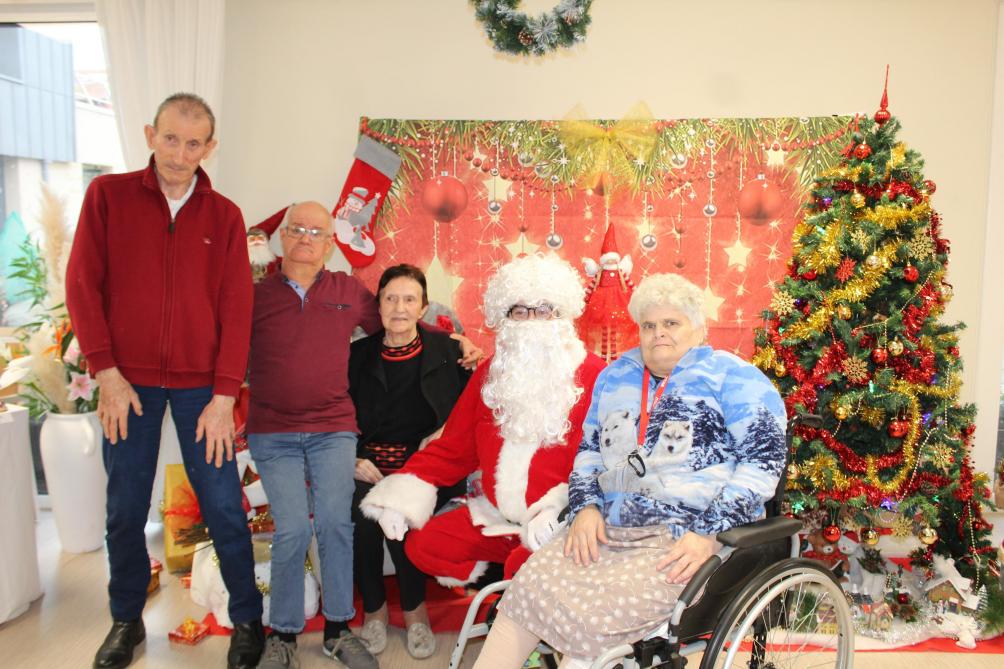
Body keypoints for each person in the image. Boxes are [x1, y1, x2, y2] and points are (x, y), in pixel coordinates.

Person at [473, 273, 787, 669]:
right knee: (528, 590)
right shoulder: (614, 376)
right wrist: (586, 507)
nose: (659, 334)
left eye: (671, 323)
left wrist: (707, 534)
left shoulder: (735, 378)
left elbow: (763, 462)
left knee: (593, 620)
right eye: (649, 325)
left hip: (682, 538)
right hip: (609, 527)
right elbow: (588, 453)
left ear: (698, 327)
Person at [65, 93, 264, 669]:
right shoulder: (107, 197)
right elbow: (82, 284)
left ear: (210, 147)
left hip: (205, 388)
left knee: (225, 504)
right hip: (126, 383)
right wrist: (106, 372)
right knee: (125, 507)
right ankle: (126, 619)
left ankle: (246, 619)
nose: (180, 154)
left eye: (194, 143)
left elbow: (236, 307)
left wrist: (225, 394)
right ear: (151, 134)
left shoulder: (223, 215)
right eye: (171, 139)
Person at [247, 204, 482, 669]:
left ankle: (374, 623)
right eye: (297, 230)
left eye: (318, 232)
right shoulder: (265, 299)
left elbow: (414, 334)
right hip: (312, 442)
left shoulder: (431, 341)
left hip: (381, 449)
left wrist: (461, 343)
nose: (306, 239)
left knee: (366, 514)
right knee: (318, 523)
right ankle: (315, 627)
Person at [360, 254, 606, 591]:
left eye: (543, 309)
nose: (531, 321)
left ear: (562, 315)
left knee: (527, 567)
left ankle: (519, 602)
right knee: (424, 545)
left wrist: (562, 508)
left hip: (560, 521)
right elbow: (453, 448)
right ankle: (506, 581)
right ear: (504, 317)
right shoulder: (491, 374)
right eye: (519, 311)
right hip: (496, 516)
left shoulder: (597, 376)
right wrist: (400, 498)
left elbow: (609, 464)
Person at [348, 264, 471, 660]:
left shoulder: (450, 352)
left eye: (409, 299)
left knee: (401, 511)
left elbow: (471, 410)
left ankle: (416, 615)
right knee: (363, 517)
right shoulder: (355, 355)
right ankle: (375, 612)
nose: (399, 308)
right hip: (368, 464)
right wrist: (353, 455)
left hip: (426, 467)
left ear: (422, 307)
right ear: (379, 305)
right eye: (390, 298)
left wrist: (441, 435)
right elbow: (336, 411)